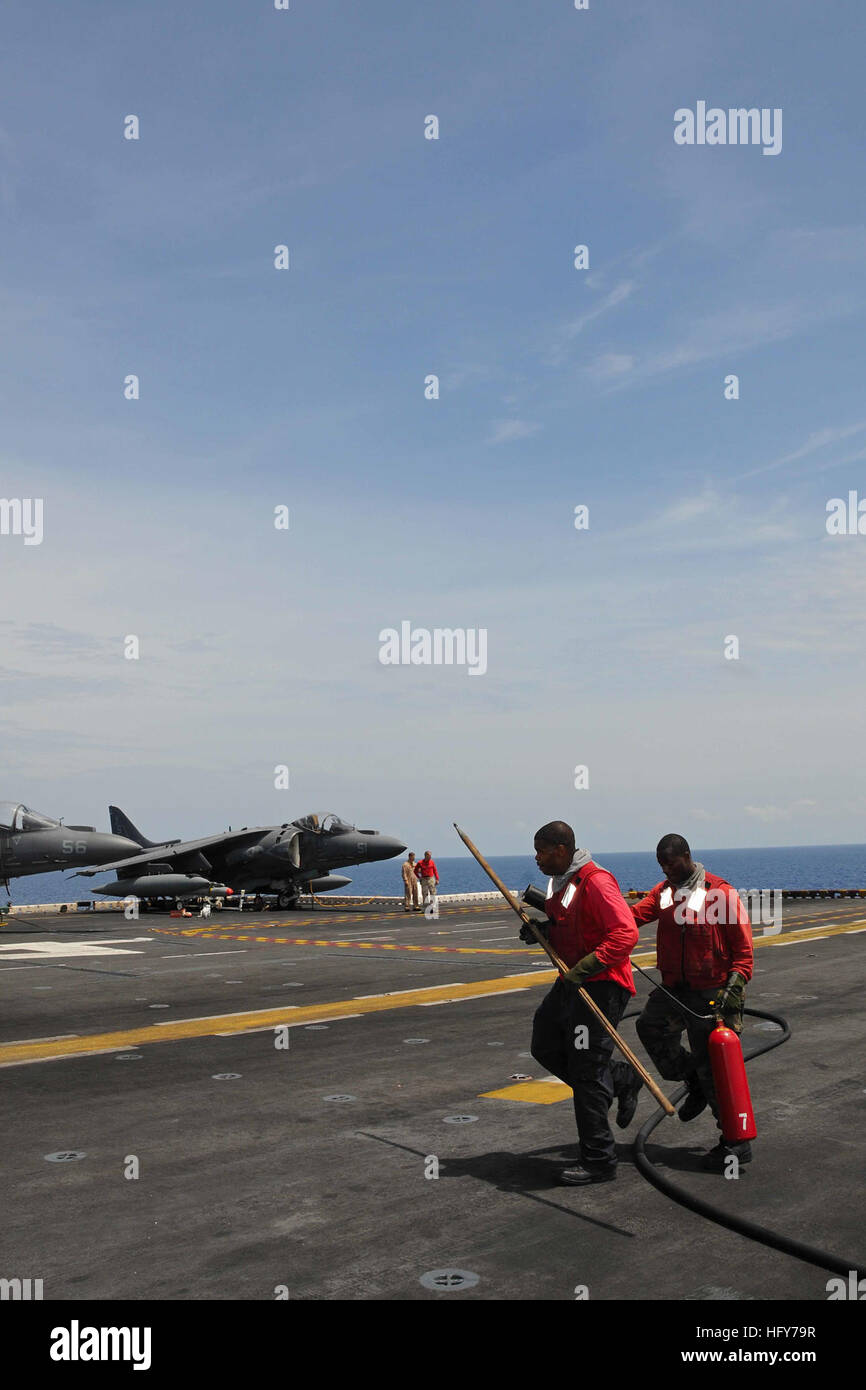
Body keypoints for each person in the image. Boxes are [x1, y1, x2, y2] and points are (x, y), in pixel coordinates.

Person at [525, 821, 640, 1186]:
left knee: (587, 1069)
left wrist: (587, 966)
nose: (537, 858)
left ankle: (599, 1160)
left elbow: (626, 932)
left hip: (602, 984)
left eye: (542, 851)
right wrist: (544, 930)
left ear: (561, 850)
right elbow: (569, 926)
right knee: (544, 1042)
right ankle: (620, 1077)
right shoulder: (562, 884)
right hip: (573, 981)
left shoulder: (596, 881)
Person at [630, 833, 754, 1172]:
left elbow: (743, 952)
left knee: (715, 1068)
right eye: (662, 865)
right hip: (674, 991)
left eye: (671, 862)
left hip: (711, 995)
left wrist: (734, 990)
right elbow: (631, 918)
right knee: (649, 1027)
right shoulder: (664, 893)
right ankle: (692, 1079)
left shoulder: (719, 893)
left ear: (687, 856)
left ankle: (735, 1144)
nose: (667, 870)